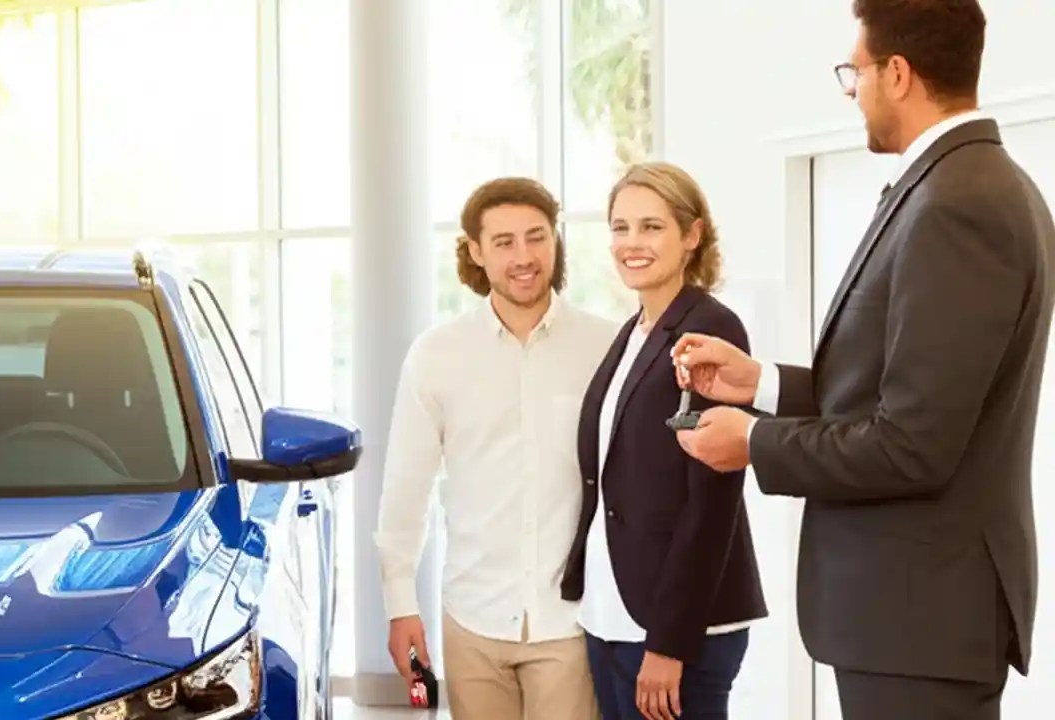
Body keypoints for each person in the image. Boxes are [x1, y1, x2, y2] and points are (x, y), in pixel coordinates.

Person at [671, 1, 1055, 718]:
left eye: (857, 72)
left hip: (917, 619)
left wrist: (753, 442)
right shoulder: (967, 186)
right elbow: (901, 390)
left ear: (899, 74)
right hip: (916, 619)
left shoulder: (956, 203)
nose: (855, 92)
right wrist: (760, 384)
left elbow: (913, 445)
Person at [374, 177, 617, 719]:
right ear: (476, 251)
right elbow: (405, 491)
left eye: (537, 237)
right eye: (504, 242)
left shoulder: (606, 346)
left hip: (570, 623)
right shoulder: (436, 355)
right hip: (473, 617)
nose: (524, 257)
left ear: (556, 242)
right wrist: (400, 605)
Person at [558, 162, 767, 720]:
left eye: (651, 227)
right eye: (620, 227)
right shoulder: (634, 332)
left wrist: (670, 642)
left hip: (673, 625)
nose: (632, 243)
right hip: (613, 612)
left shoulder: (710, 328)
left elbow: (712, 503)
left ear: (691, 235)